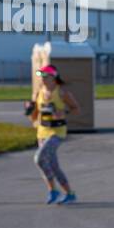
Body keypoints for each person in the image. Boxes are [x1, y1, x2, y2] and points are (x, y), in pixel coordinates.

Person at [30, 64, 80, 204]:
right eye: (41, 76)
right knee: (53, 165)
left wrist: (63, 112)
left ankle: (53, 191)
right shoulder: (38, 93)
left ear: (53, 77)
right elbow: (34, 115)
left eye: (45, 76)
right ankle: (68, 193)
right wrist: (30, 111)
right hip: (42, 132)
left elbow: (76, 109)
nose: (42, 78)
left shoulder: (62, 93)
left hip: (57, 132)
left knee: (39, 158)